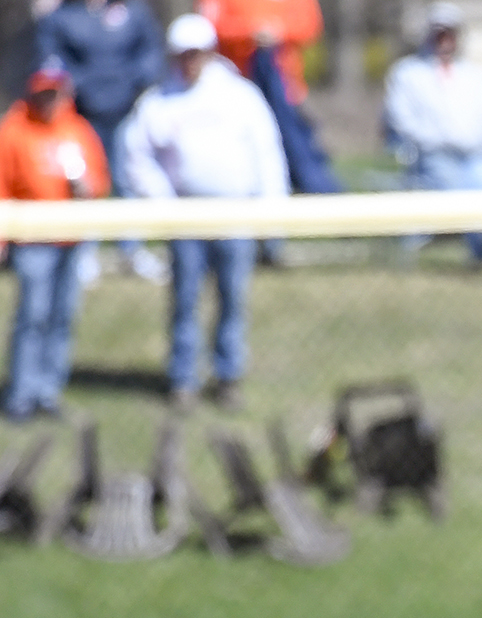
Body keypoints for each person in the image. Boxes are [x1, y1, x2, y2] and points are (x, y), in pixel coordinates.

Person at [120, 13, 287, 411]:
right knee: (186, 298)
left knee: (231, 297)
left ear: (210, 53)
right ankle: (183, 378)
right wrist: (163, 198)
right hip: (186, 217)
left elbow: (266, 150)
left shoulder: (240, 95)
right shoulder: (159, 102)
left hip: (234, 213)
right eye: (182, 54)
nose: (189, 62)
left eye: (195, 54)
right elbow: (136, 154)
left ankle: (228, 376)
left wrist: (272, 209)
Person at [0, 60, 108, 422]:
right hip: (32, 240)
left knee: (63, 316)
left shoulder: (77, 129)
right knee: (33, 316)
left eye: (56, 92)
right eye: (44, 92)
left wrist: (87, 188)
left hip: (70, 239)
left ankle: (48, 391)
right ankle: (21, 395)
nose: (50, 99)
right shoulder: (14, 129)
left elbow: (99, 180)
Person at [382, 1, 482, 272]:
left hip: (480, 152)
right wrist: (435, 139)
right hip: (433, 155)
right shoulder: (408, 73)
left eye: (450, 33)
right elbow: (400, 119)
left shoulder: (478, 75)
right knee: (461, 188)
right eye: (439, 33)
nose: (445, 40)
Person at [34, 0, 167, 282]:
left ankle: (131, 249)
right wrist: (83, 88)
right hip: (82, 115)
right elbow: (52, 59)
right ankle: (86, 252)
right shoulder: (65, 15)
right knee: (87, 184)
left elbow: (150, 52)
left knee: (126, 180)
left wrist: (132, 84)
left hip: (127, 112)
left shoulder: (132, 10)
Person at [196, 0, 338, 199]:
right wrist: (249, 32)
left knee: (297, 152)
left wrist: (279, 30)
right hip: (234, 88)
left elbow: (310, 25)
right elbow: (207, 26)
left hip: (284, 87)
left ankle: (325, 204)